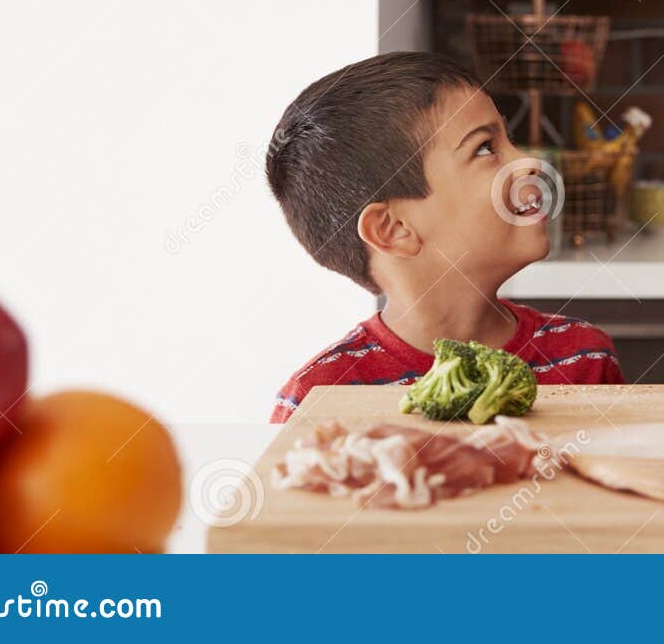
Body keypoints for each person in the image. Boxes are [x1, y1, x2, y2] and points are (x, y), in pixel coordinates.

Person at [266, 52, 622, 422]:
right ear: (393, 230)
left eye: (507, 138)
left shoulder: (585, 358)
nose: (529, 161)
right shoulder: (319, 399)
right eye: (485, 148)